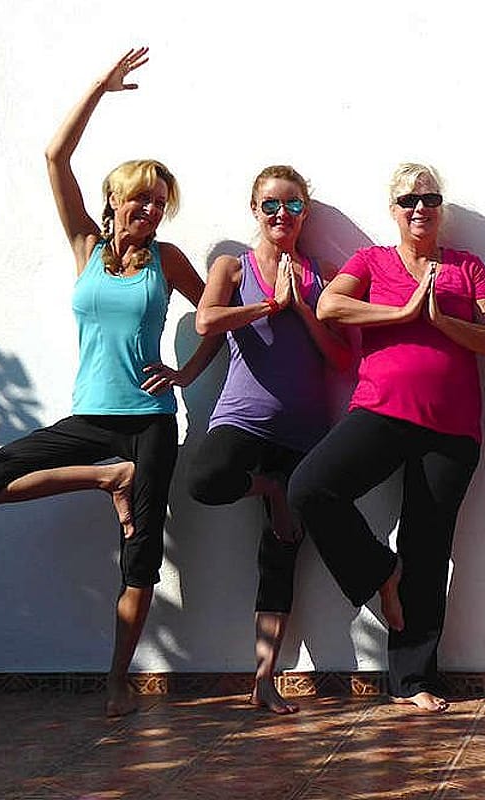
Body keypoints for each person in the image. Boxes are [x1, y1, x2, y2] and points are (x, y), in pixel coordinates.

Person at [0, 49, 220, 717]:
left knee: (141, 561)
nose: (151, 212)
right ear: (114, 198)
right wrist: (99, 89)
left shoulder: (168, 259)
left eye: (160, 204)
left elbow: (213, 316)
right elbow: (54, 157)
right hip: (93, 418)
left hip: (153, 420)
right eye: (141, 198)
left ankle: (116, 679)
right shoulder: (85, 247)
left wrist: (187, 370)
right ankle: (108, 478)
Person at [288, 163, 485, 712]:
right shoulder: (372, 261)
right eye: (408, 199)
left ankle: (414, 680)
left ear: (440, 207)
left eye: (429, 198)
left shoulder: (466, 267)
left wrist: (439, 320)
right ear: (393, 209)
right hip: (382, 411)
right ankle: (379, 571)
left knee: (428, 548)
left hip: (452, 425)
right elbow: (328, 305)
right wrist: (403, 311)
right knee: (310, 488)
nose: (419, 208)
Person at [187, 166, 353, 714]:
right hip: (242, 420)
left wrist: (302, 307)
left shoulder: (320, 272)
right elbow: (206, 321)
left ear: (306, 211)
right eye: (271, 206)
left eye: (294, 206)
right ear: (254, 210)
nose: (282, 216)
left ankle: (264, 679)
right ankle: (271, 489)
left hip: (304, 431)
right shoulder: (232, 266)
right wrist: (267, 306)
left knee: (279, 557)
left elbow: (339, 357)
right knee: (207, 478)